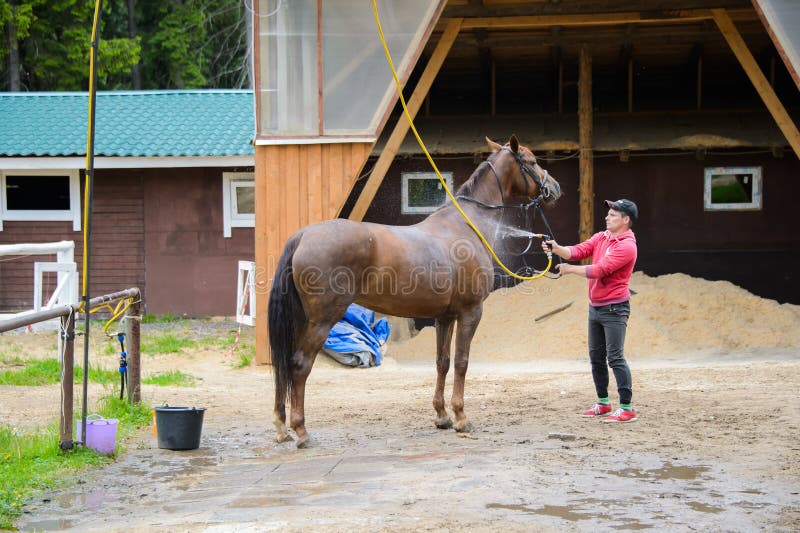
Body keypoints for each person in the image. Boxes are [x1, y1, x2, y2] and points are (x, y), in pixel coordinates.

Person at [542, 199, 639, 423]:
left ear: (626, 220)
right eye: (609, 214)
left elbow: (600, 270)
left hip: (615, 309)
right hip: (595, 307)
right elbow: (578, 250)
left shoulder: (627, 246)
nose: (607, 217)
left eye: (613, 215)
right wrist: (558, 249)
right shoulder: (602, 236)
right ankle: (604, 403)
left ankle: (627, 408)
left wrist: (569, 270)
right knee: (596, 358)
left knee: (615, 358)